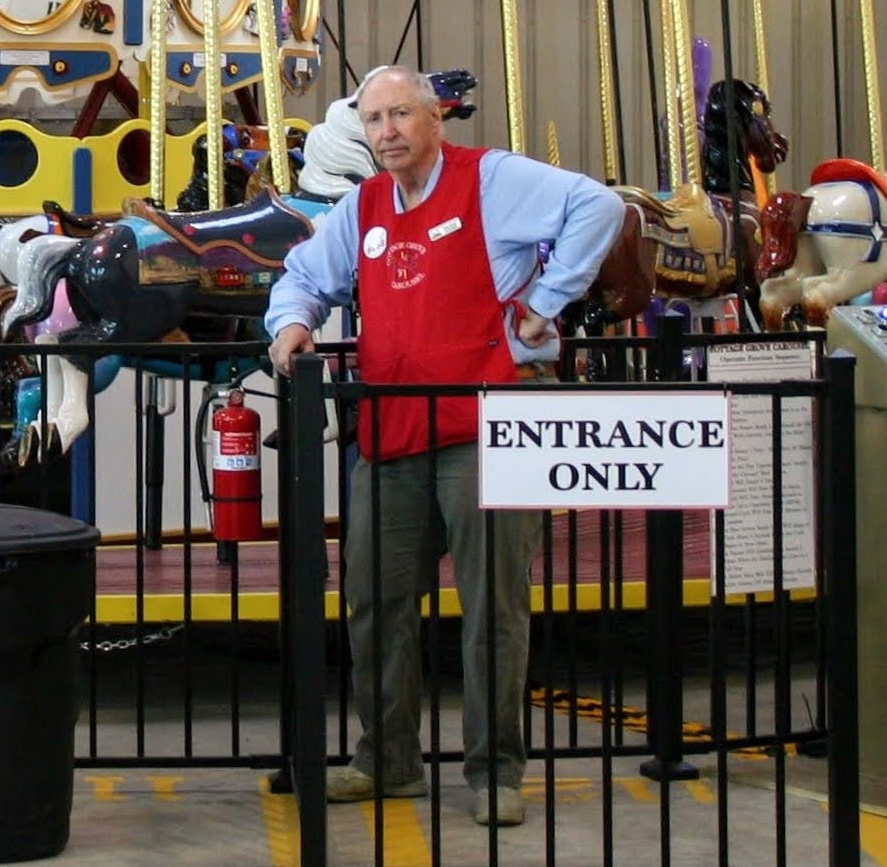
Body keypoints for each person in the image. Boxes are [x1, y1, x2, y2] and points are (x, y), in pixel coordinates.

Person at [265, 65, 625, 823]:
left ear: (436, 119)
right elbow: (303, 274)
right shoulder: (361, 204)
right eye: (374, 119)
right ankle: (387, 759)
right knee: (373, 595)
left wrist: (547, 300)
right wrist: (291, 321)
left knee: (492, 599)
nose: (387, 131)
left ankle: (495, 771)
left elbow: (598, 205)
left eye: (401, 114)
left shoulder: (492, 179)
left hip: (493, 419)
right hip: (397, 427)